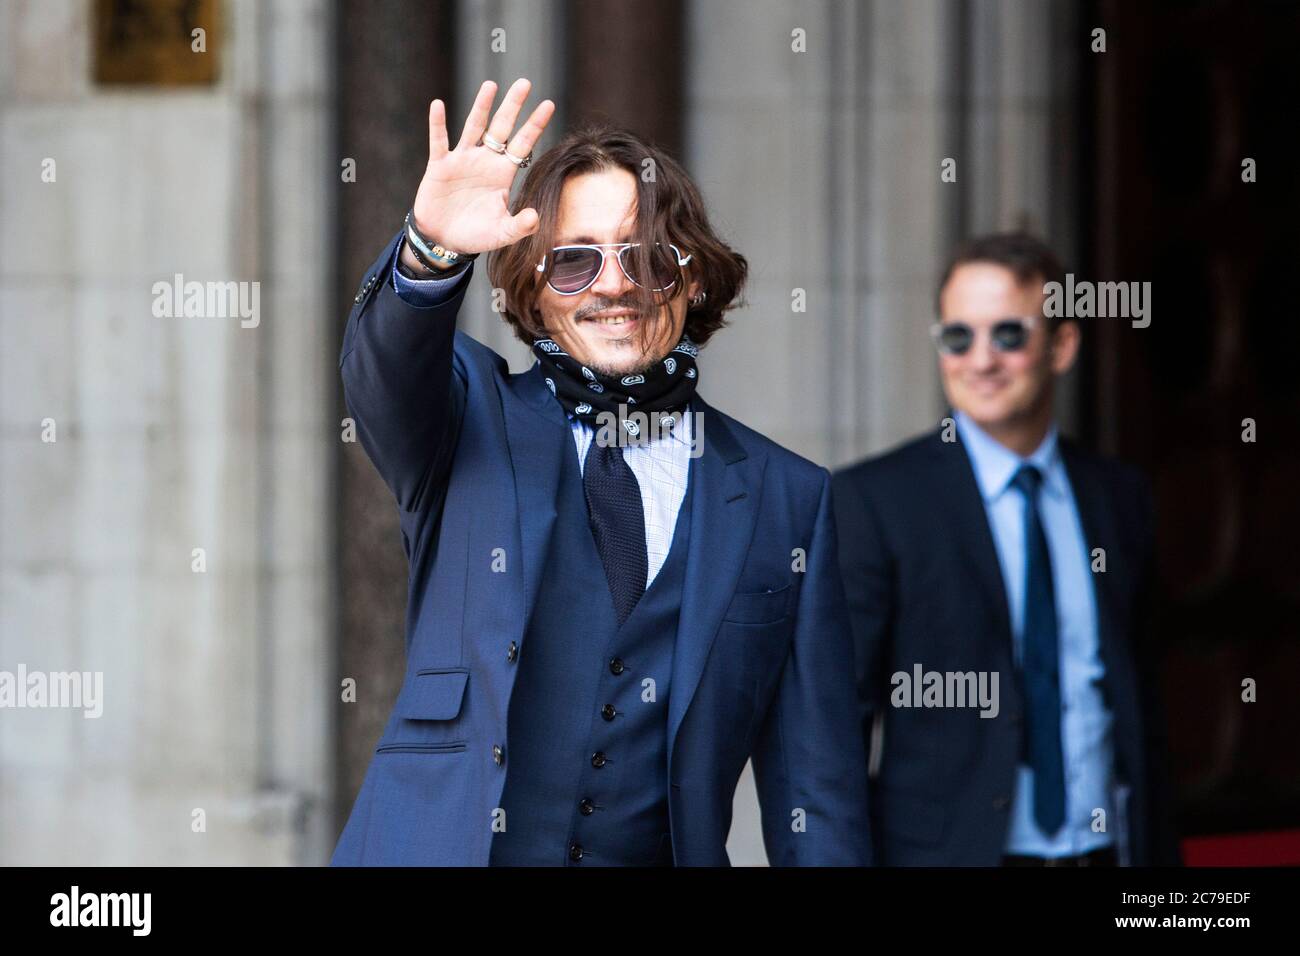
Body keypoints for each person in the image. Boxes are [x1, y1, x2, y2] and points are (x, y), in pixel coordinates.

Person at [330, 78, 870, 866]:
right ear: (533, 291)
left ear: (693, 279)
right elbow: (384, 372)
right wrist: (430, 249)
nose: (613, 286)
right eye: (574, 262)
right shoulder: (464, 421)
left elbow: (816, 794)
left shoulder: (789, 497)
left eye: (646, 258)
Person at [833, 233, 1179, 866]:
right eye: (958, 337)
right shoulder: (872, 502)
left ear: (1063, 344)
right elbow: (833, 730)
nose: (981, 360)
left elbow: (1145, 704)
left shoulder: (1120, 496)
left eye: (1009, 335)